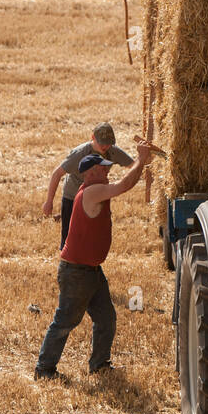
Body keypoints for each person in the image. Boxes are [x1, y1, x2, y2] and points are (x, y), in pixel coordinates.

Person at [35, 144, 152, 381]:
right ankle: (44, 369)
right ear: (89, 174)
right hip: (77, 272)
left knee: (106, 318)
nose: (107, 172)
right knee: (66, 321)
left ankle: (99, 365)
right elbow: (125, 185)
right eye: (103, 169)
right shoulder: (90, 192)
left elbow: (121, 184)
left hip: (91, 271)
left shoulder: (91, 189)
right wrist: (141, 160)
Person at [43, 123, 133, 250]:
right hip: (73, 197)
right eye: (102, 142)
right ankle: (66, 264)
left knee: (93, 237)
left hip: (96, 198)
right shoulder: (79, 153)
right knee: (69, 238)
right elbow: (57, 174)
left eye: (108, 143)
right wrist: (49, 201)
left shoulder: (112, 151)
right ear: (93, 137)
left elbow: (134, 166)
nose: (105, 146)